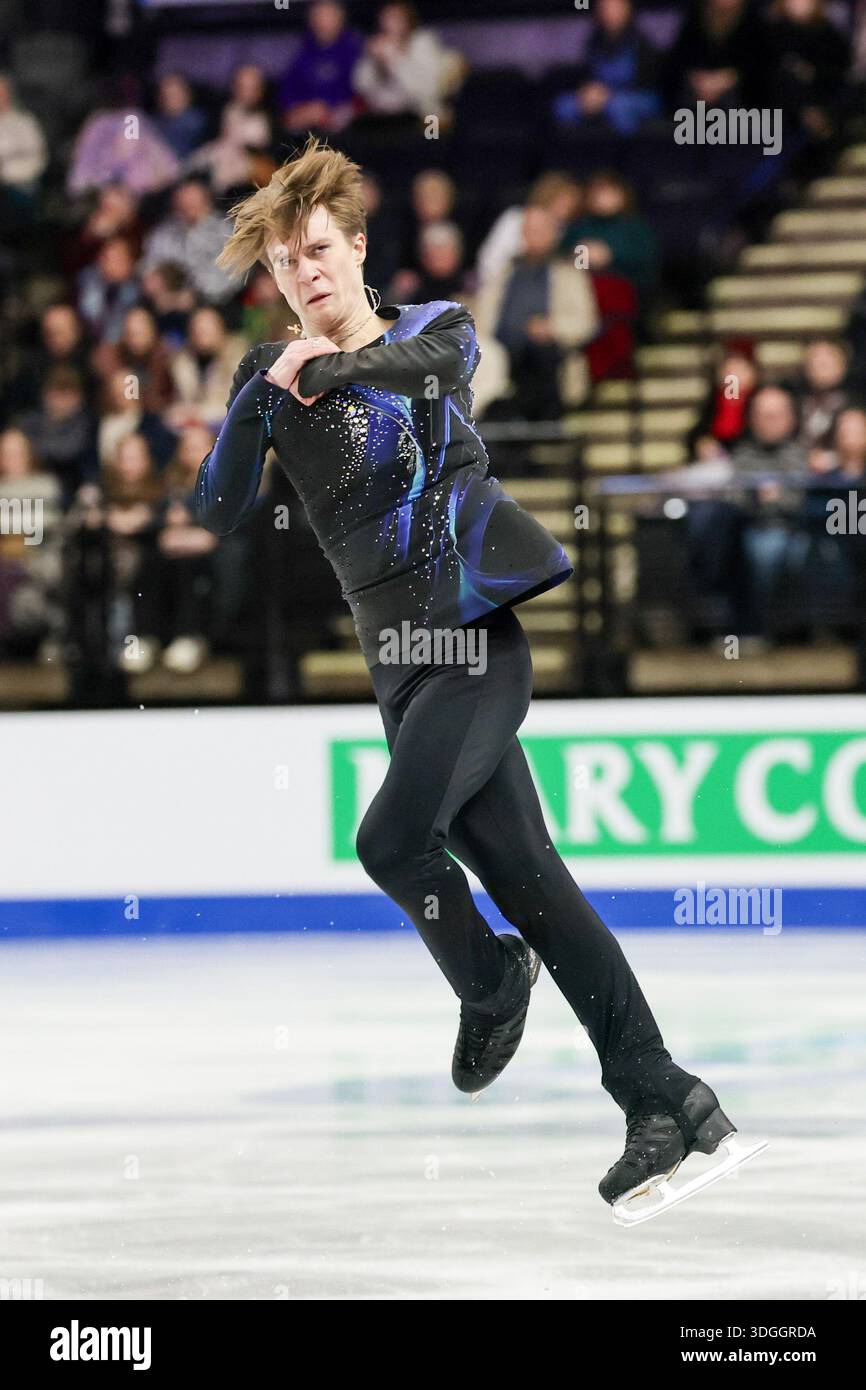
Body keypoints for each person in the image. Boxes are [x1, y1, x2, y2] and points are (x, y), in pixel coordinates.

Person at [192, 136, 751, 1220]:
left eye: (318, 250)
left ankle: (492, 982)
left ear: (358, 249)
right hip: (399, 672)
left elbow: (434, 372)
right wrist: (252, 400)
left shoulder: (431, 328)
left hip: (473, 645)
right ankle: (665, 1099)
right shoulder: (268, 377)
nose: (303, 273)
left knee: (388, 842)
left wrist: (320, 368)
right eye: (284, 263)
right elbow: (214, 511)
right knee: (540, 888)